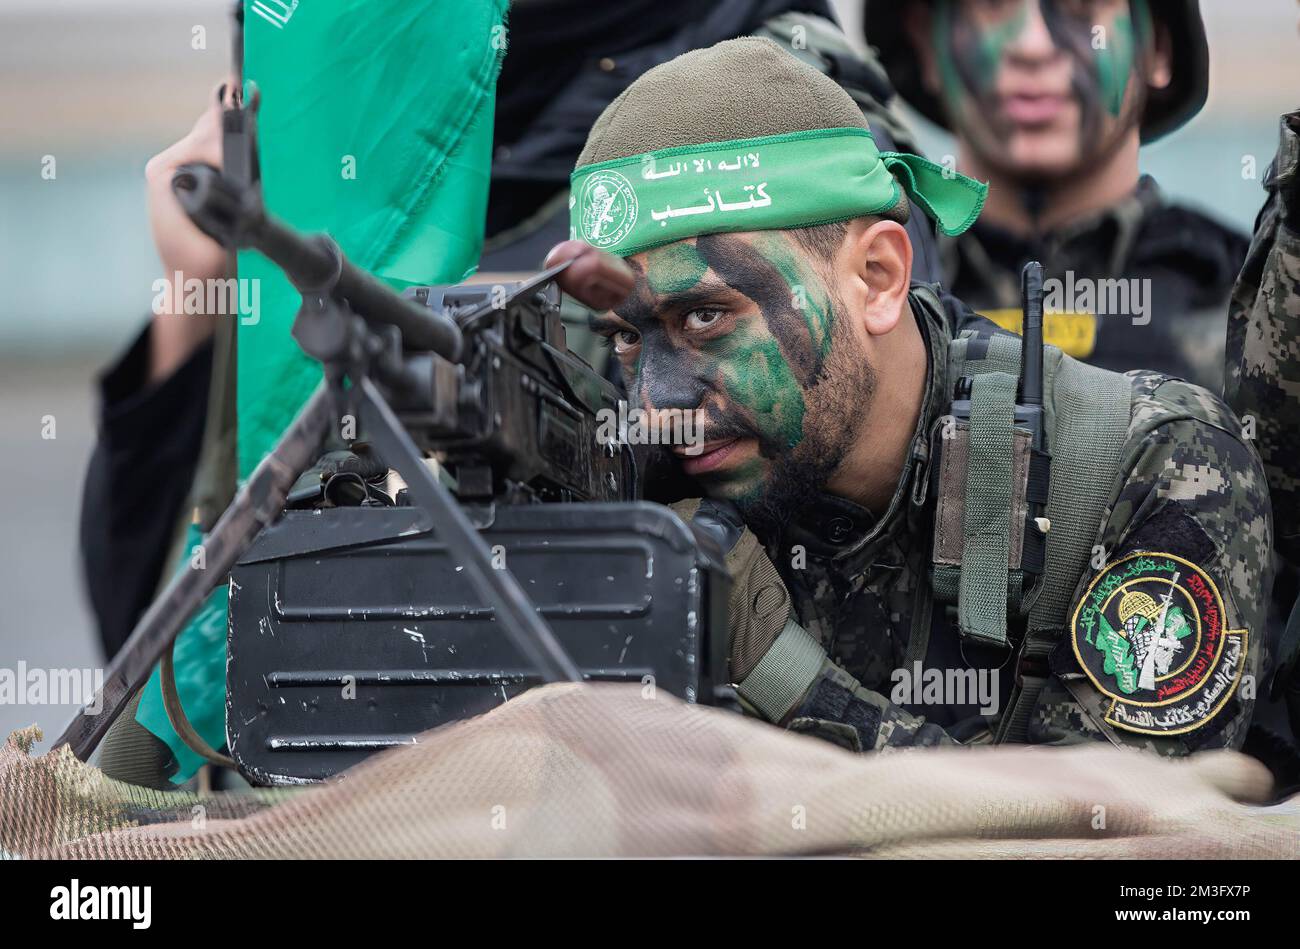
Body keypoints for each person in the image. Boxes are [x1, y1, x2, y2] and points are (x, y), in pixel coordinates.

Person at [546, 36, 1272, 754]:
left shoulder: (1145, 468)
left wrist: (774, 668)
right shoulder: (629, 488)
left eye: (706, 317)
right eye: (629, 337)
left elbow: (1106, 836)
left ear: (879, 277)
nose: (655, 404)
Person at [863, 0, 1246, 391]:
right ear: (925, 41)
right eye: (993, 5)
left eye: (1081, 5)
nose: (1032, 45)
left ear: (1159, 46)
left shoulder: (1251, 304)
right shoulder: (870, 290)